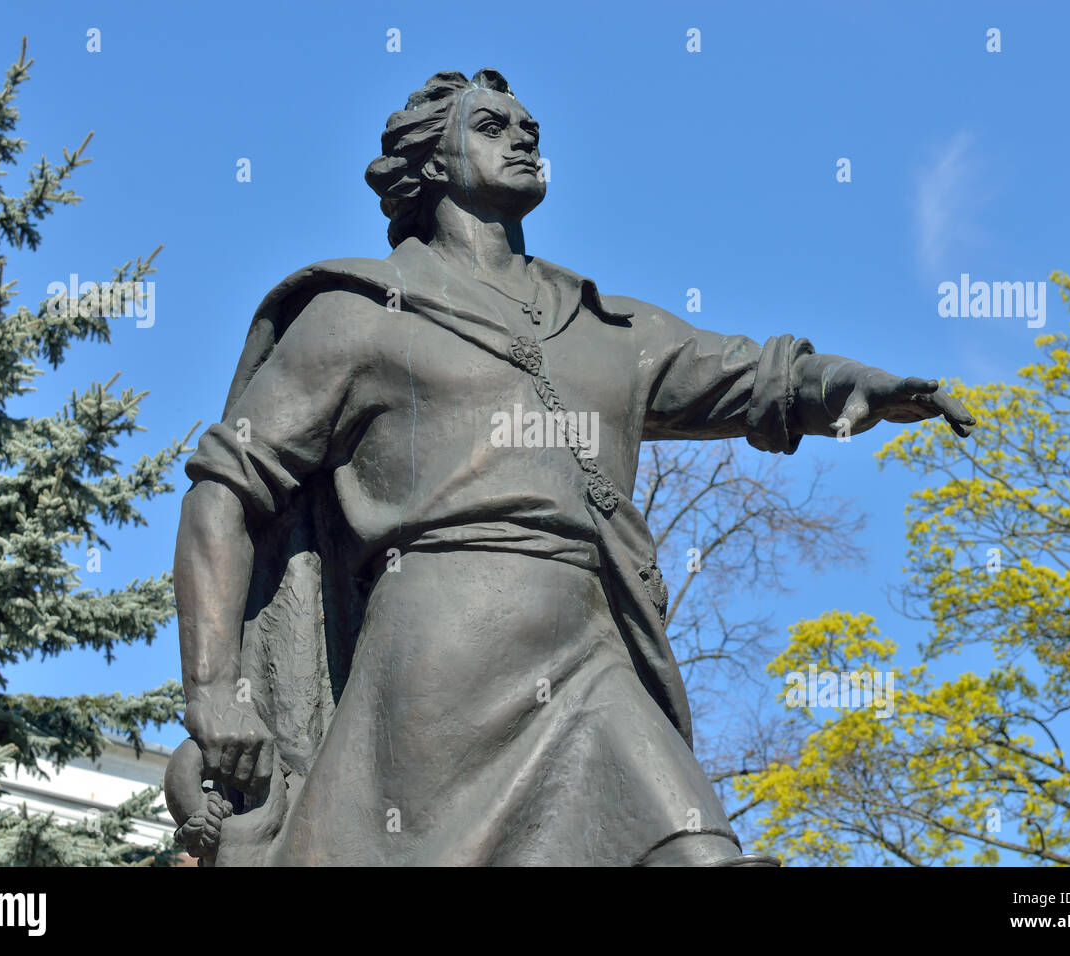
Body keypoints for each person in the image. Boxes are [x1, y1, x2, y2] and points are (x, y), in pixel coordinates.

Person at [170, 69, 975, 866]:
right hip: (440, 653)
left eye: (530, 128)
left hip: (593, 640)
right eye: (491, 126)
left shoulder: (605, 328)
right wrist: (212, 690)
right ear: (432, 165)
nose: (523, 136)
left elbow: (754, 377)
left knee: (697, 846)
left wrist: (852, 385)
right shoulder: (359, 314)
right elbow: (224, 492)